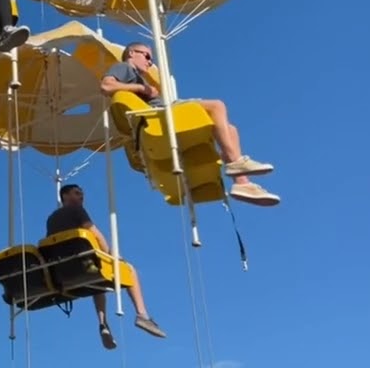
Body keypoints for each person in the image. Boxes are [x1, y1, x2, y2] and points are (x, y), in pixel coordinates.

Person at [101, 43, 279, 207]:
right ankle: (236, 164)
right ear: (132, 53)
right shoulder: (125, 67)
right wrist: (142, 89)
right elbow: (106, 86)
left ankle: (242, 183)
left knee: (230, 130)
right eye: (147, 56)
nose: (150, 62)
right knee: (217, 105)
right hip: (162, 115)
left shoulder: (138, 77)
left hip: (164, 113)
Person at [46, 184, 166, 350]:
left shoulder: (51, 219)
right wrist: (111, 255)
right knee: (129, 270)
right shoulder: (76, 211)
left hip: (64, 273)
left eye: (82, 194)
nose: (81, 197)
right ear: (64, 196)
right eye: (77, 193)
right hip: (82, 265)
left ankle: (103, 324)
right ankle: (142, 314)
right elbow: (96, 234)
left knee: (98, 281)